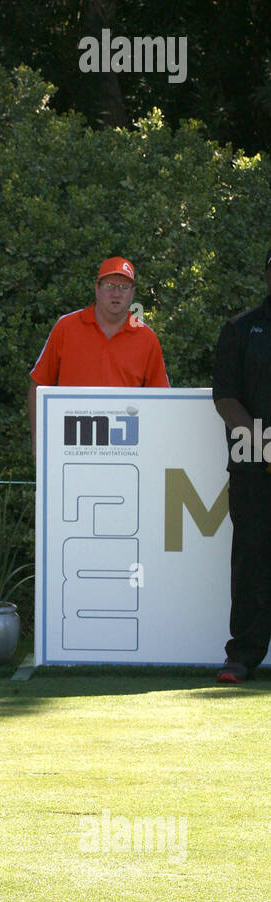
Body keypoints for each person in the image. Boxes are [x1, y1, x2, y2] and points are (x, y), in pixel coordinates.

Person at [27, 257, 169, 455]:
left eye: (124, 287)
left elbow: (161, 401)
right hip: (70, 445)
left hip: (126, 448)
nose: (116, 293)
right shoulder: (66, 327)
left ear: (132, 293)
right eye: (110, 285)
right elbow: (38, 385)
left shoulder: (147, 337)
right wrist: (39, 439)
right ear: (97, 288)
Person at [212, 249, 271, 683]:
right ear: (266, 273)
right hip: (254, 468)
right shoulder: (239, 329)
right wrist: (264, 447)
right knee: (251, 560)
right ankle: (243, 655)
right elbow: (227, 398)